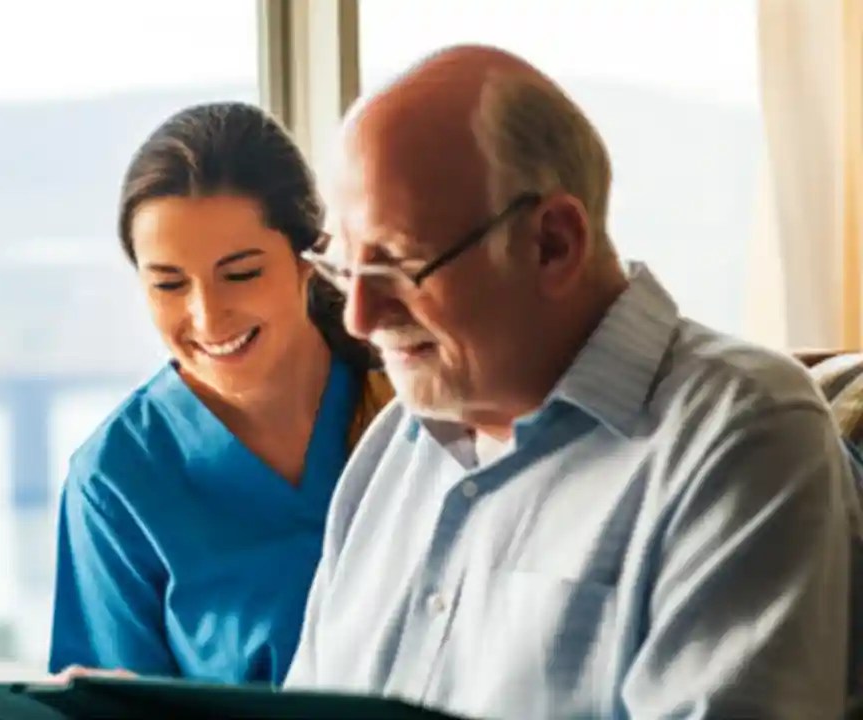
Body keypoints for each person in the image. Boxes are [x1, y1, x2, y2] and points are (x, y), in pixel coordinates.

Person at [286, 45, 863, 718]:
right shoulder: (395, 448)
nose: (358, 318)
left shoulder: (743, 436)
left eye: (398, 266)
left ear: (553, 242)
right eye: (342, 268)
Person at [47, 102, 393, 685]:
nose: (206, 317)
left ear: (309, 259)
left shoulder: (411, 405)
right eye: (168, 284)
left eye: (240, 274)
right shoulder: (118, 480)